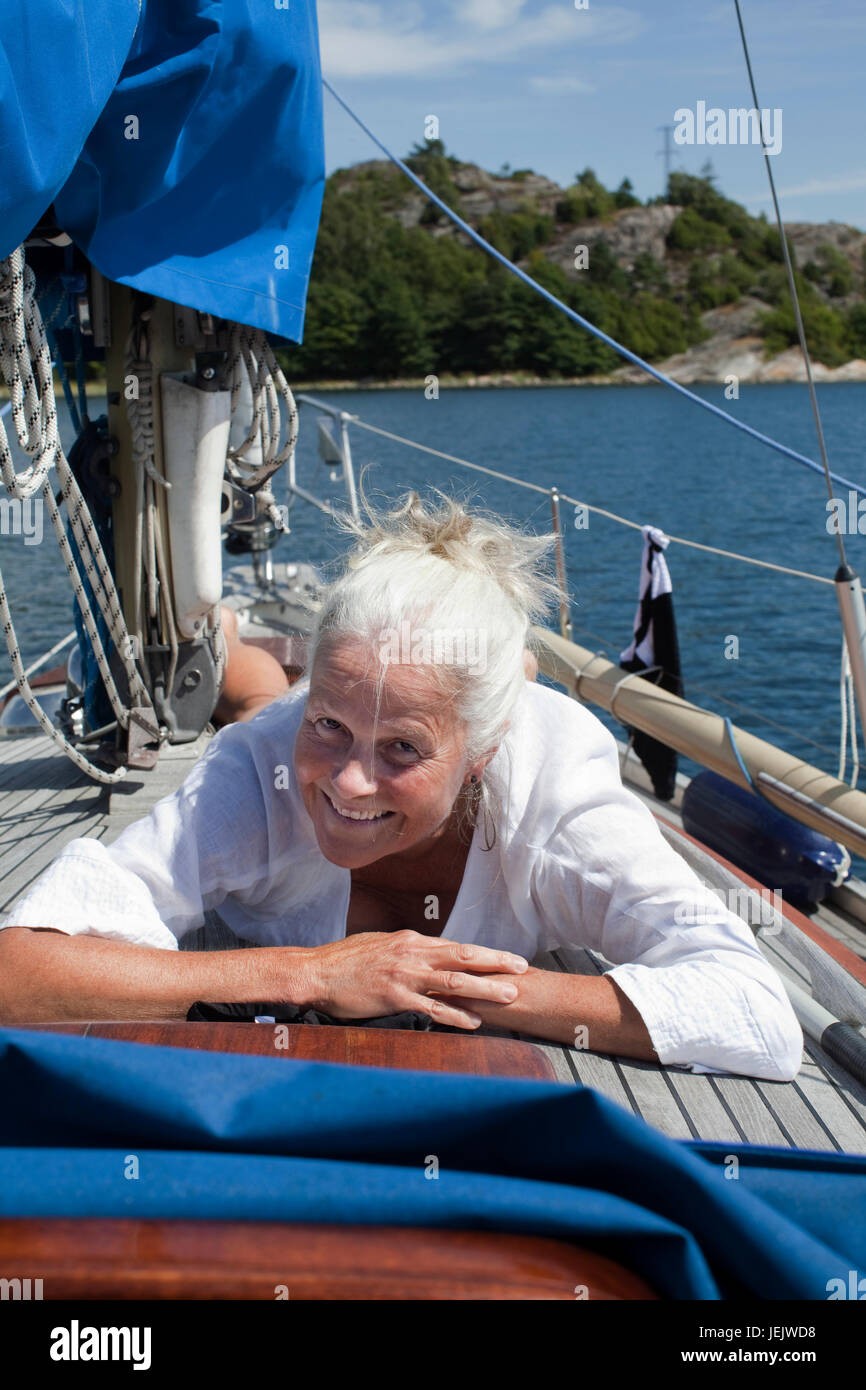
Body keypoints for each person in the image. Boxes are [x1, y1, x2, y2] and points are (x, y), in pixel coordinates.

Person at [0, 490, 802, 1080]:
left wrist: (431, 985)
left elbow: (756, 1013)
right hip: (264, 718)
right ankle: (235, 651)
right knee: (247, 704)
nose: (351, 782)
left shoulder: (558, 795)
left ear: (485, 749)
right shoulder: (263, 766)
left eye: (402, 748)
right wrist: (310, 974)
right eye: (332, 724)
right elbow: (18, 973)